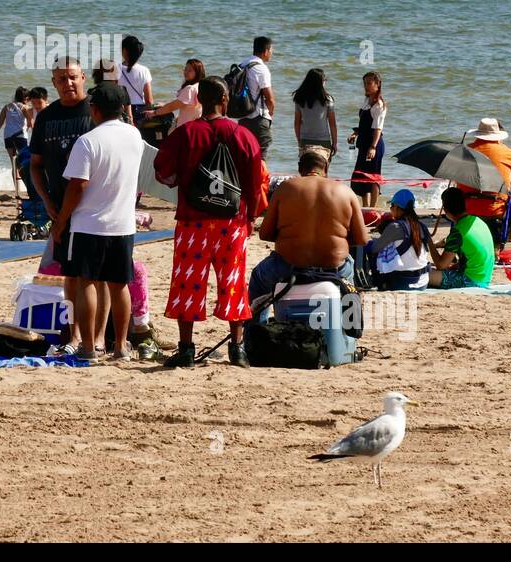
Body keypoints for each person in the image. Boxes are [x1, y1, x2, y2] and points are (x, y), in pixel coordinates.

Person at [155, 76, 263, 368]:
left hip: (193, 223)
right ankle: (237, 349)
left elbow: (162, 170)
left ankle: (187, 350)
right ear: (225, 100)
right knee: (234, 283)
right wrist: (251, 215)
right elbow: (254, 183)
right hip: (232, 223)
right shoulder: (243, 135)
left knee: (187, 284)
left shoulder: (186, 133)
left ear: (199, 100)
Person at [50, 82, 144, 361]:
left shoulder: (88, 141)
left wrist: (61, 222)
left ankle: (89, 347)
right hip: (123, 223)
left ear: (95, 109)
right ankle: (120, 346)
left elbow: (77, 186)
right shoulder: (134, 136)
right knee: (119, 285)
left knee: (86, 282)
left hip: (89, 223)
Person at [250, 149, 368, 316]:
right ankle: (349, 330)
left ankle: (254, 337)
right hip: (335, 268)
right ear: (326, 168)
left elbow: (265, 234)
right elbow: (362, 239)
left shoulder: (285, 188)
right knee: (349, 275)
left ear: (300, 168)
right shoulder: (346, 191)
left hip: (288, 267)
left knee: (259, 279)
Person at [28, 58, 95, 344]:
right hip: (59, 208)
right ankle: (74, 333)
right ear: (53, 83)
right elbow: (35, 165)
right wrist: (45, 200)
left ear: (83, 78)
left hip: (94, 205)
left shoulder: (95, 110)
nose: (68, 84)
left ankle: (99, 337)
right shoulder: (46, 117)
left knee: (95, 277)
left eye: (72, 77)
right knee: (70, 277)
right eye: (61, 79)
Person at [459, 117, 511, 224]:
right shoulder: (505, 152)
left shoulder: (464, 151)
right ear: (498, 136)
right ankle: (506, 237)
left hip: (466, 209)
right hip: (495, 209)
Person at [427, 186, 496, 288]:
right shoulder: (477, 221)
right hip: (485, 277)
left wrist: (430, 242)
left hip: (472, 281)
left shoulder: (458, 232)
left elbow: (441, 265)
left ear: (445, 210)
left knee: (424, 275)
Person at [366, 188, 431, 290]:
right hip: (423, 282)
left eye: (391, 206)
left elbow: (374, 248)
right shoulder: (422, 226)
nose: (391, 209)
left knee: (370, 250)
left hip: (403, 283)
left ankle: (373, 283)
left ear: (397, 207)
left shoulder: (395, 227)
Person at [348, 71, 386, 208]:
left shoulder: (379, 105)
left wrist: (373, 147)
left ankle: (373, 207)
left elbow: (377, 128)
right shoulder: (366, 101)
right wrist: (355, 134)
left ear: (377, 84)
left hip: (374, 143)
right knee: (361, 176)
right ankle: (364, 207)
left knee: (373, 177)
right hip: (363, 143)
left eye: (369, 83)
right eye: (365, 83)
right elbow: (363, 124)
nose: (366, 86)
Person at [0, 87, 32, 196]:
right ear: (26, 98)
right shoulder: (25, 107)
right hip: (20, 137)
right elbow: (31, 123)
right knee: (24, 163)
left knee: (13, 163)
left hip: (8, 137)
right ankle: (28, 187)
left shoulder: (7, 107)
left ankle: (17, 191)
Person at [236, 36, 275, 157]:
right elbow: (269, 98)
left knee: (244, 153)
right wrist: (271, 112)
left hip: (242, 116)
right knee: (261, 153)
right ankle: (259, 176)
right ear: (266, 51)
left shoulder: (242, 65)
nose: (271, 53)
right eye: (271, 51)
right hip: (258, 117)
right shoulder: (261, 68)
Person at [293, 67, 338, 159]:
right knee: (322, 171)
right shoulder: (327, 99)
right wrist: (335, 143)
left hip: (305, 139)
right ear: (321, 82)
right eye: (324, 80)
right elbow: (332, 124)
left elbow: (296, 123)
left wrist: (299, 141)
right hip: (323, 141)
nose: (325, 82)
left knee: (305, 171)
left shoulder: (300, 98)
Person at [153, 58, 205, 130]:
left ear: (197, 73)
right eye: (185, 69)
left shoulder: (190, 89)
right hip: (196, 127)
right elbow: (181, 102)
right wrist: (164, 104)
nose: (186, 72)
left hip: (185, 128)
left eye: (190, 70)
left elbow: (172, 107)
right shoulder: (200, 86)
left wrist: (154, 113)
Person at [116, 35, 155, 126]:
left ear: (125, 50)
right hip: (139, 112)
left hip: (121, 111)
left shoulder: (114, 69)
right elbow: (149, 101)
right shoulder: (144, 70)